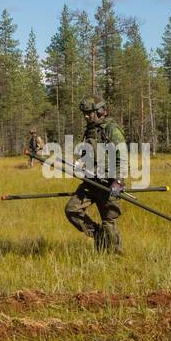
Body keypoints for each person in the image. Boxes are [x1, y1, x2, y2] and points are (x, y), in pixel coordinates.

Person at [64, 97, 125, 253]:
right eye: (84, 113)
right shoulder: (89, 130)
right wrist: (80, 163)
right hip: (91, 181)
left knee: (108, 220)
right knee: (72, 209)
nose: (86, 116)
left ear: (100, 111)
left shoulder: (111, 130)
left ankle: (114, 256)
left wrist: (118, 181)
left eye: (89, 113)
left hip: (109, 182)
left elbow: (122, 157)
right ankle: (98, 235)